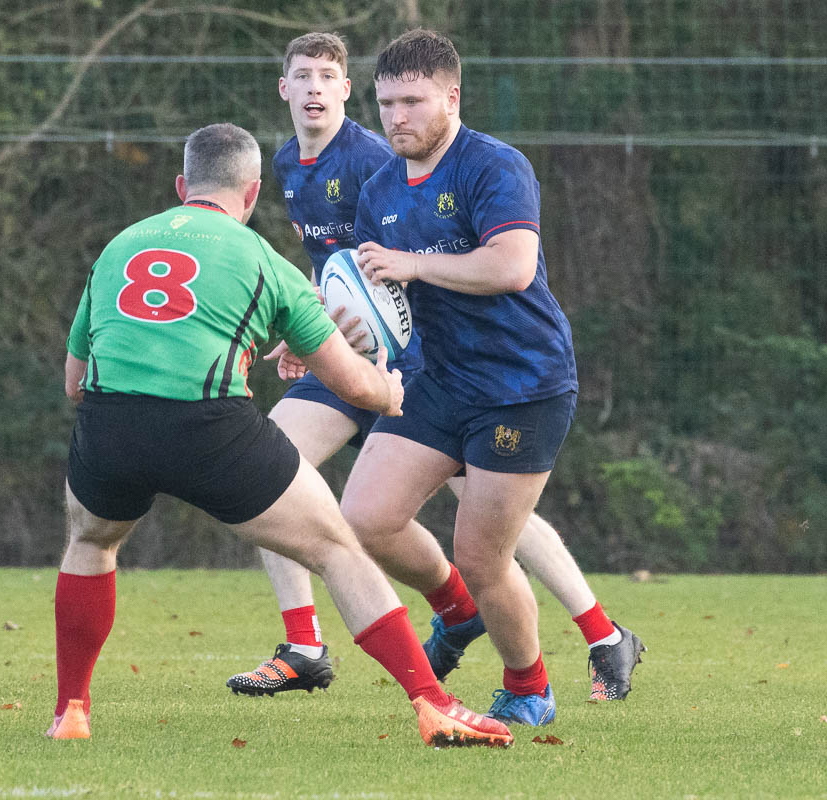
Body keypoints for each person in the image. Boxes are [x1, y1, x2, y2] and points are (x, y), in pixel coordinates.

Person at [48, 122, 512, 748]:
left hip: (109, 426)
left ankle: (71, 710)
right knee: (337, 549)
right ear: (252, 192)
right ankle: (434, 704)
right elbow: (352, 385)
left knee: (91, 544)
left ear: (182, 186)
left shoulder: (117, 248)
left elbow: (75, 381)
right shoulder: (264, 261)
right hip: (208, 428)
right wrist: (390, 390)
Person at [226, 32, 644, 706]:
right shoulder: (382, 186)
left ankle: (526, 687)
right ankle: (457, 613)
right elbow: (369, 297)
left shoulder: (493, 166)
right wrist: (312, 339)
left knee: (483, 556)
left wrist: (415, 263)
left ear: (451, 97)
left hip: (520, 386)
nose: (397, 117)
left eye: (413, 102)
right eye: (387, 102)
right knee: (365, 518)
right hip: (437, 380)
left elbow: (510, 266)